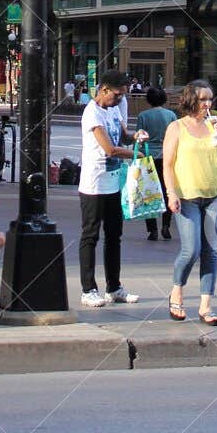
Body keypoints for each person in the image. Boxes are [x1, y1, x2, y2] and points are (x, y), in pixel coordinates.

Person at [78, 70, 146, 309]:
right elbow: (109, 149)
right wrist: (137, 155)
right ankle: (88, 289)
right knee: (90, 235)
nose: (120, 100)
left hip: (114, 182)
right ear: (104, 90)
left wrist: (136, 137)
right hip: (94, 183)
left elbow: (123, 137)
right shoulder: (92, 113)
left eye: (123, 96)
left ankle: (114, 287)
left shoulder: (114, 109)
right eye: (117, 95)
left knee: (114, 236)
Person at [162, 83, 217, 325]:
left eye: (210, 99)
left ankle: (206, 305)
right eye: (202, 99)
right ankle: (177, 289)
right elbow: (167, 163)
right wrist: (171, 193)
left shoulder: (213, 124)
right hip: (186, 195)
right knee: (192, 249)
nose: (207, 104)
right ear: (191, 101)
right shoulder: (177, 127)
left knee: (211, 252)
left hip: (214, 194)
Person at [135, 85, 176, 241]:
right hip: (167, 156)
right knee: (167, 191)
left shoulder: (143, 116)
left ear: (149, 100)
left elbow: (139, 137)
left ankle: (152, 230)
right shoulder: (171, 115)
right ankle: (166, 225)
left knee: (148, 193)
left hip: (147, 156)